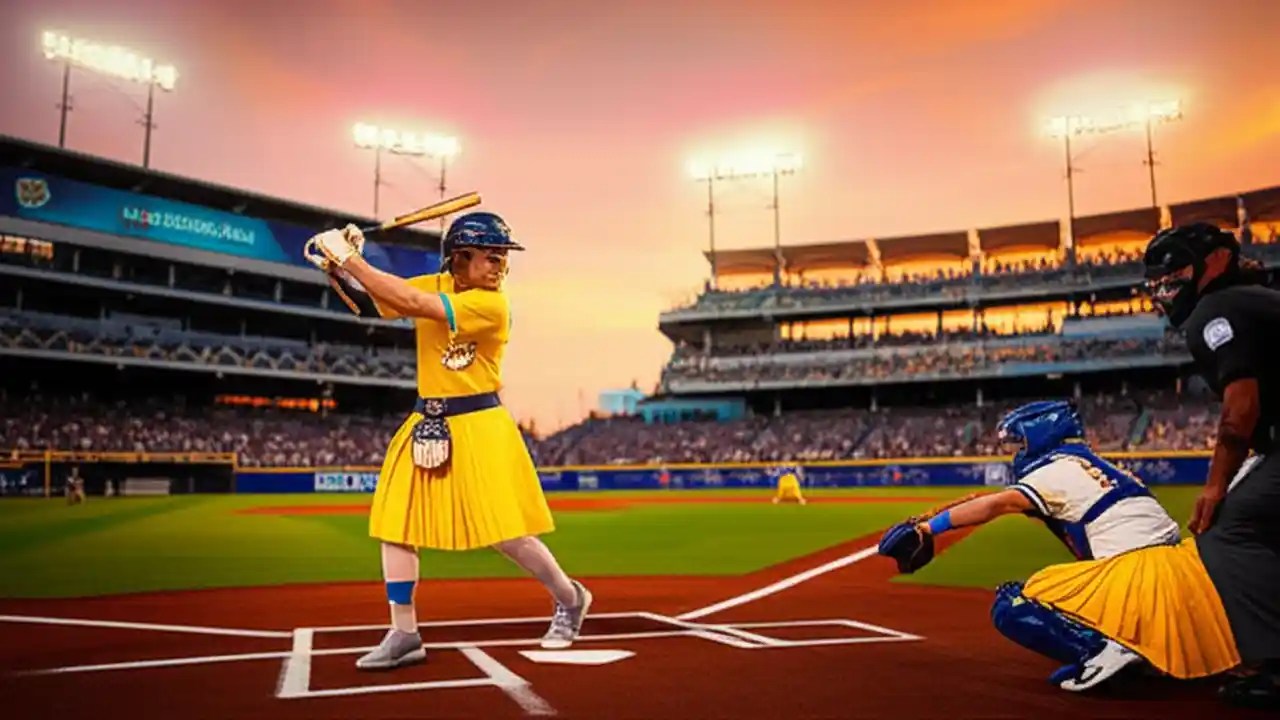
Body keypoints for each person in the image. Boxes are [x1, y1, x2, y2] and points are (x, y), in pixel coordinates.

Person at [305, 212, 592, 671]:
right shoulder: (433, 283)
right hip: (427, 419)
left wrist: (352, 257)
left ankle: (570, 597)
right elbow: (374, 299)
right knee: (395, 524)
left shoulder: (491, 305)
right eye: (490, 257)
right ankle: (404, 633)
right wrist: (337, 265)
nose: (499, 266)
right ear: (459, 257)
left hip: (478, 423)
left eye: (502, 258)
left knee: (507, 534)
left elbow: (413, 302)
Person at [878, 400, 1240, 692]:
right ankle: (1149, 648)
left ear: (1038, 437)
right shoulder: (1094, 466)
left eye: (1018, 443)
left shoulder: (1055, 469)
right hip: (1189, 577)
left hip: (1138, 576)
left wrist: (930, 526)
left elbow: (995, 504)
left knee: (1013, 602)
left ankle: (1103, 649)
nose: (1015, 452)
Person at [1143, 222, 1280, 709]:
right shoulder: (1252, 297)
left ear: (1216, 261)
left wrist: (1215, 486)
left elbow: (1240, 409)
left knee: (1230, 528)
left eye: (1174, 270)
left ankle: (1271, 665)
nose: (1165, 286)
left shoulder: (1214, 310)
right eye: (1157, 280)